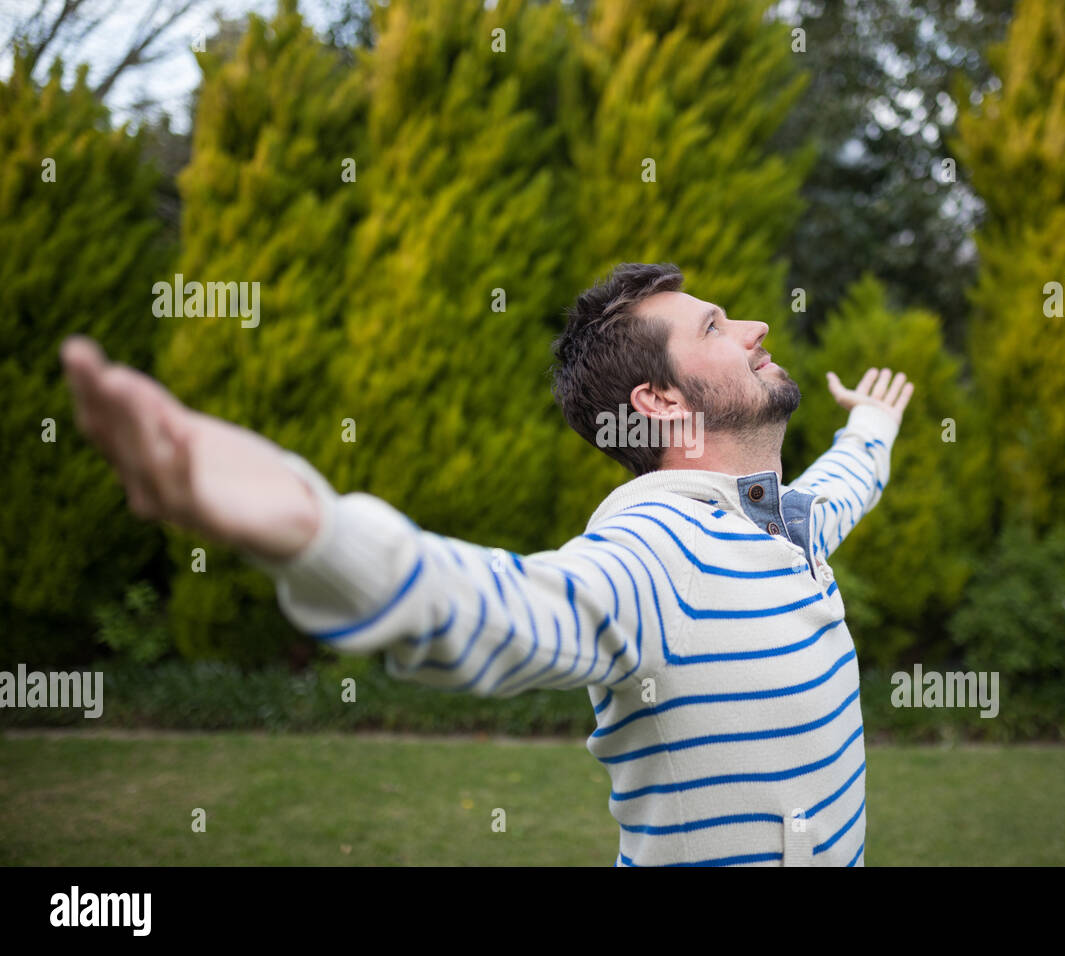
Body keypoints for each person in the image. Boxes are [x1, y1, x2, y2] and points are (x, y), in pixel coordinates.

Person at [60, 261, 912, 866]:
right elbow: (504, 611)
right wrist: (319, 534)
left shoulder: (781, 525)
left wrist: (870, 425)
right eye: (717, 328)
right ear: (660, 401)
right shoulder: (656, 558)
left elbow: (841, 486)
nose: (757, 327)